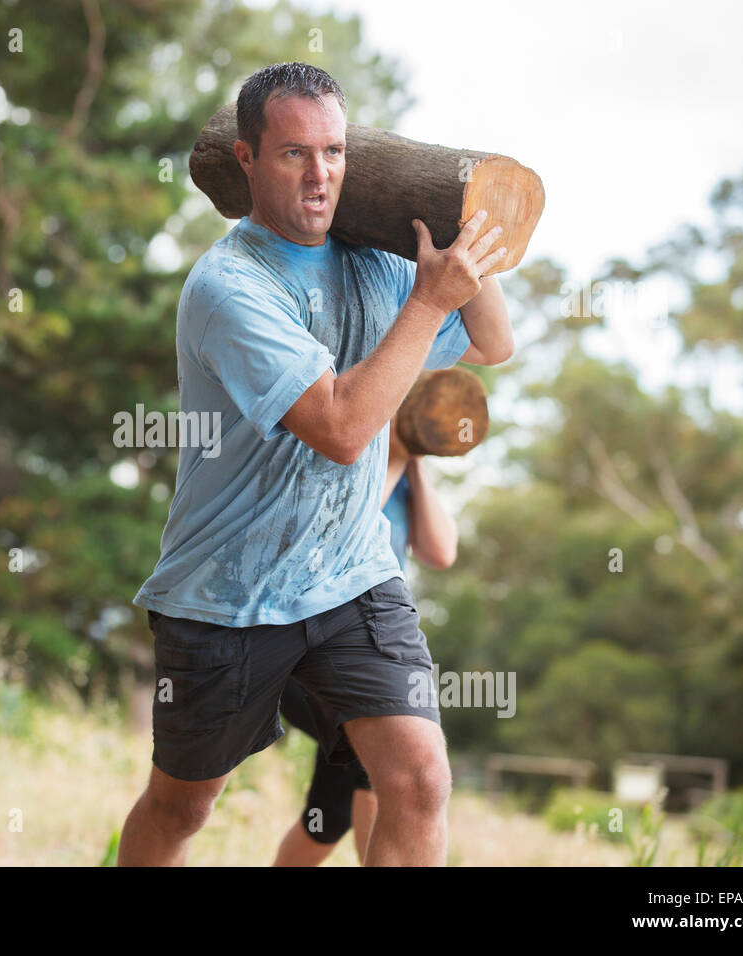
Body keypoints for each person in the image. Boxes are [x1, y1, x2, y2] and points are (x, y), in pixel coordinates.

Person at [119, 62, 513, 866]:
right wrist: (431, 300)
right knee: (182, 806)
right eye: (294, 153)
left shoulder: (373, 262)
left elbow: (493, 344)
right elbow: (340, 427)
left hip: (350, 576)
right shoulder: (229, 286)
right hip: (224, 595)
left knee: (418, 780)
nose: (319, 174)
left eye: (334, 152)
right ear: (247, 160)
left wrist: (468, 226)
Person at [274, 416, 459, 865]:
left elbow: (441, 552)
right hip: (304, 643)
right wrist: (393, 453)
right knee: (382, 766)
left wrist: (415, 463)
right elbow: (342, 530)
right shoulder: (349, 456)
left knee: (328, 815)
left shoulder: (406, 475)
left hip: (367, 649)